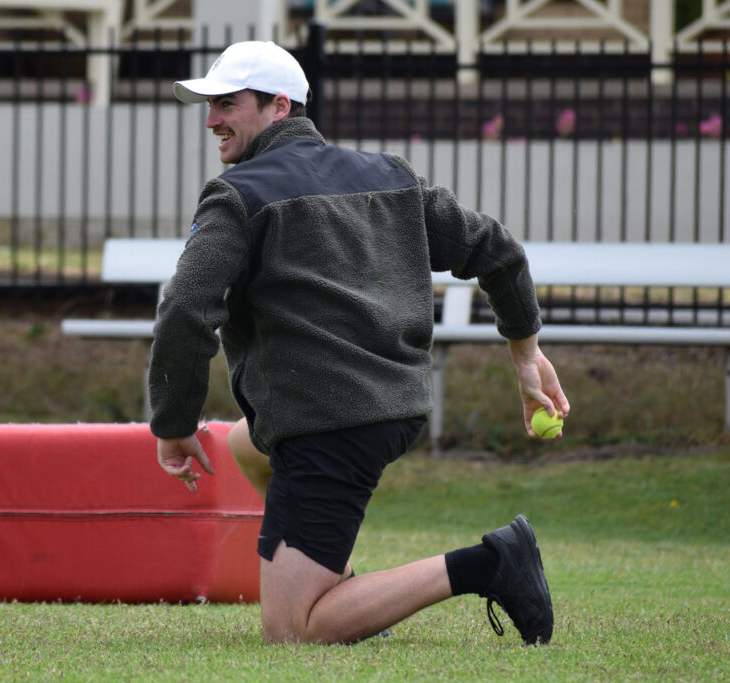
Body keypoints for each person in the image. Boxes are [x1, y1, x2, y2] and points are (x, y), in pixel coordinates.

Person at [148, 40, 570, 645]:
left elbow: (185, 310)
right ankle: (348, 596)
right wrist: (526, 355)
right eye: (208, 104)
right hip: (390, 407)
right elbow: (498, 250)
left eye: (226, 103)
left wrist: (173, 423)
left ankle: (488, 563)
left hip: (328, 423)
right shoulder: (390, 176)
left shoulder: (237, 195)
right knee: (245, 445)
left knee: (294, 632)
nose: (211, 119)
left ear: (279, 106)